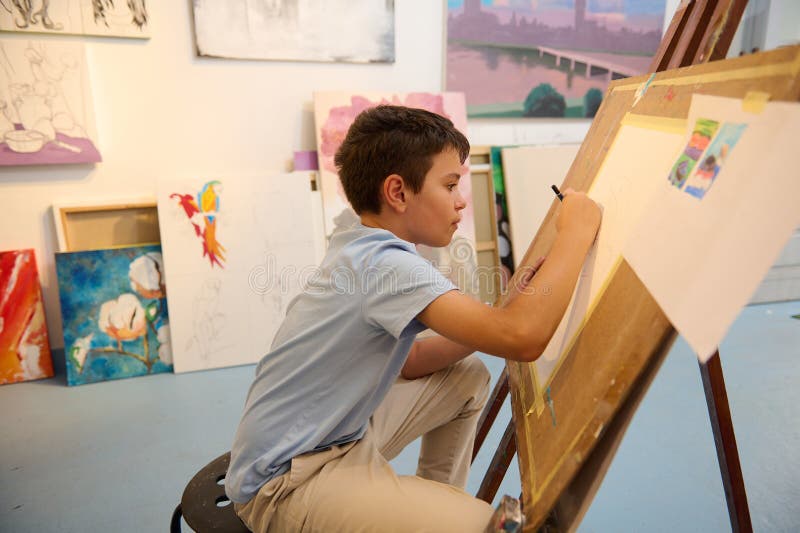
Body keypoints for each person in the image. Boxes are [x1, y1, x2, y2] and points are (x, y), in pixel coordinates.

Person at [225, 105, 602, 532]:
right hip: (285, 484)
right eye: (450, 184)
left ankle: (426, 509)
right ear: (398, 193)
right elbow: (523, 337)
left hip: (334, 436)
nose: (461, 200)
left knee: (466, 376)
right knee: (501, 527)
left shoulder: (360, 241)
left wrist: (497, 313)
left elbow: (412, 362)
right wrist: (576, 231)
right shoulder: (387, 266)